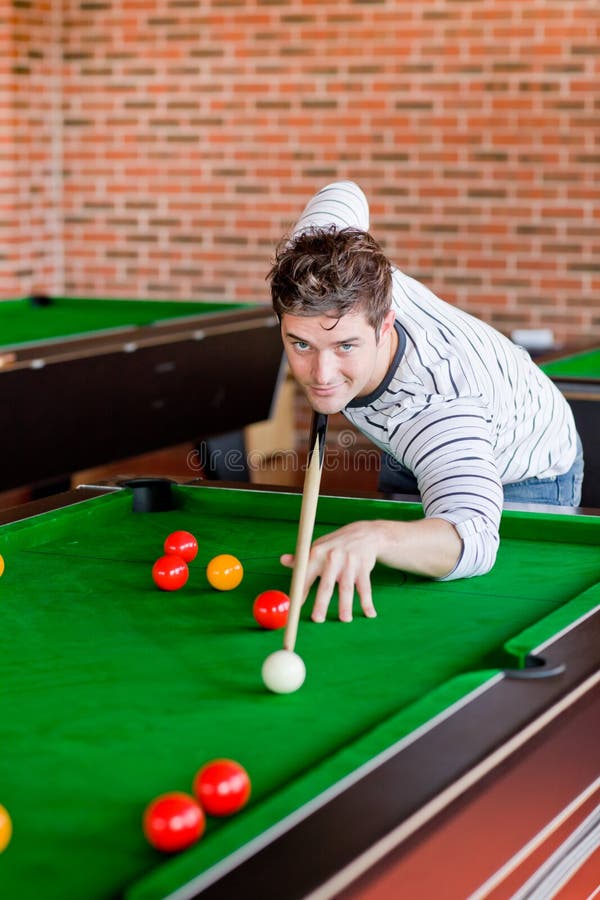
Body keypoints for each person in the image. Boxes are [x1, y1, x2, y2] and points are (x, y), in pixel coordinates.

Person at [267, 181, 583, 623]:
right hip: (421, 439)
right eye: (300, 344)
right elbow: (344, 190)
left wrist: (375, 537)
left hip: (527, 462)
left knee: (470, 609)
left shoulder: (434, 407)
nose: (320, 376)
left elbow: (472, 541)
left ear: (384, 324)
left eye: (344, 347)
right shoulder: (322, 258)